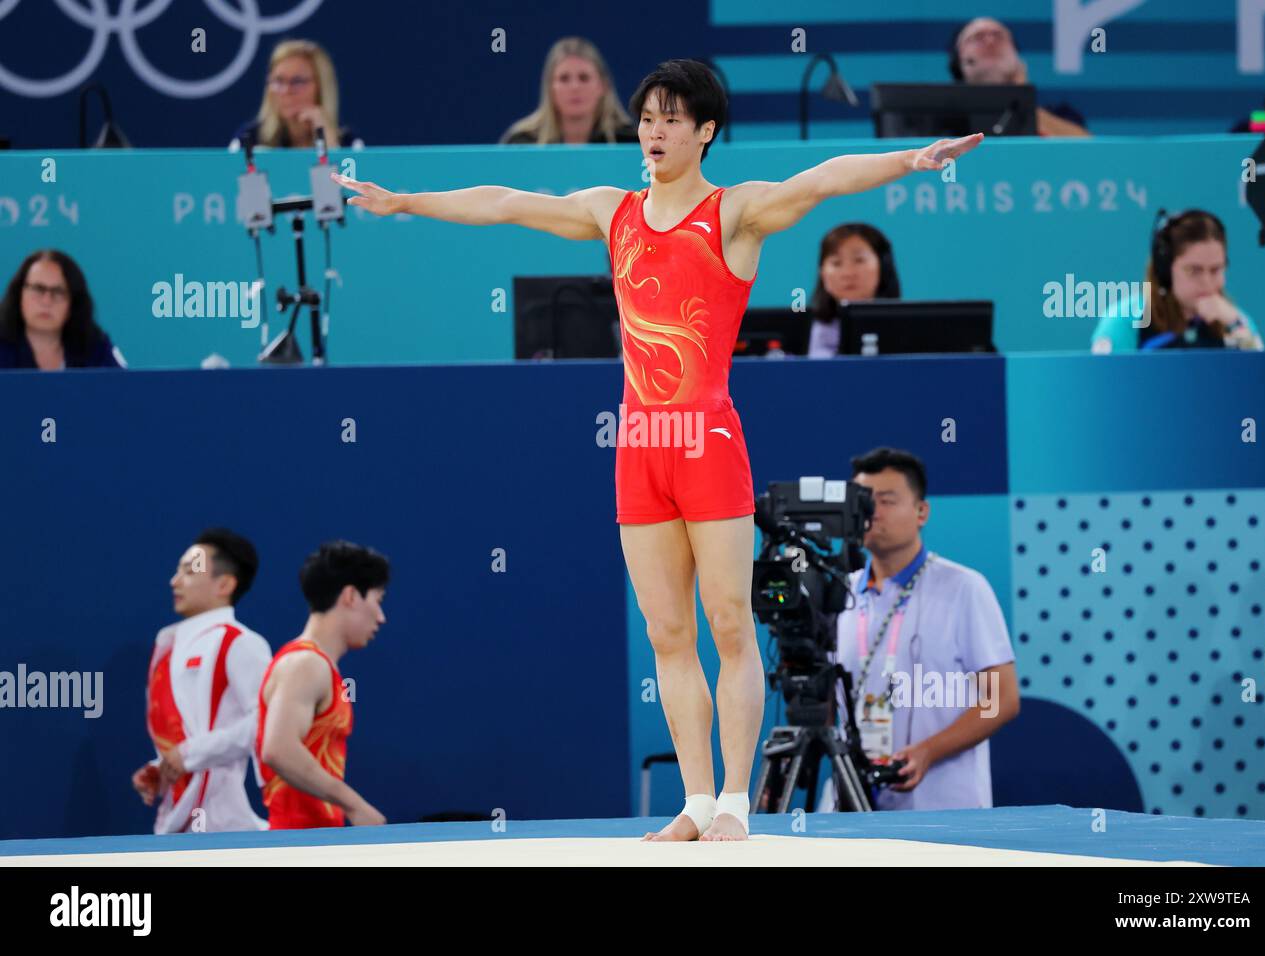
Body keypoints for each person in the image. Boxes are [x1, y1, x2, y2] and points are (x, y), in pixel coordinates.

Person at [333, 58, 982, 841]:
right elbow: (506, 203)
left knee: (729, 625)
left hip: (707, 441)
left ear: (706, 131)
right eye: (647, 117)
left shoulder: (735, 213)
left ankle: (738, 806)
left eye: (672, 118)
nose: (654, 130)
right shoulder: (614, 211)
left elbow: (824, 180)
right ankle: (697, 804)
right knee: (668, 636)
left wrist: (910, 159)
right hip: (639, 444)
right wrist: (407, 202)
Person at [818, 448, 1019, 811]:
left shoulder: (963, 588)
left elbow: (1000, 700)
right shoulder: (837, 594)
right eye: (862, 501)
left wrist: (929, 751)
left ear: (921, 511)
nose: (871, 512)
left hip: (943, 808)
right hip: (848, 806)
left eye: (886, 500)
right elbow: (825, 709)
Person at [131, 529, 271, 833]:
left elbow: (266, 724)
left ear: (225, 584)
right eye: (177, 570)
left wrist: (189, 754)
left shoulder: (240, 643)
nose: (175, 581)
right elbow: (183, 732)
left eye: (189, 571)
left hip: (223, 830)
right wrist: (162, 767)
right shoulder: (166, 645)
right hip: (171, 824)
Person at [257, 541, 389, 829]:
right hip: (298, 846)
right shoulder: (305, 664)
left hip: (317, 842)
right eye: (378, 601)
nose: (381, 617)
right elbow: (278, 749)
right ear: (351, 596)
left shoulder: (318, 666)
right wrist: (356, 805)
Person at [1091, 209, 1264, 353]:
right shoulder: (1125, 321)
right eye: (1194, 270)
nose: (1206, 281)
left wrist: (1236, 327)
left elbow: (1261, 382)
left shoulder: (1236, 321)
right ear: (1165, 270)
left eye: (1215, 270)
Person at [949, 17, 1089, 138]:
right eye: (978, 37)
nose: (990, 41)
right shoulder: (943, 115)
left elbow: (1086, 148)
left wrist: (1021, 93)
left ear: (1017, 56)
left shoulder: (1060, 113)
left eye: (999, 36)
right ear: (959, 60)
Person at [0, 250, 125, 370]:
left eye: (58, 292)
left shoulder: (94, 347)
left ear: (73, 302)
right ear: (19, 294)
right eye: (38, 289)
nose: (47, 301)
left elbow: (122, 388)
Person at [500, 37, 637, 145]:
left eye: (584, 78)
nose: (574, 87)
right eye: (564, 79)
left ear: (603, 86)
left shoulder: (632, 141)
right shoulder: (521, 143)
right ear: (550, 87)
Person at [229, 39, 361, 151]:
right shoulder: (248, 139)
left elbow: (353, 179)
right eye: (279, 81)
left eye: (297, 81)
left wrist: (330, 144)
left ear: (321, 86)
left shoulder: (349, 143)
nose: (286, 90)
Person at [806, 223, 901, 358]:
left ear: (883, 266)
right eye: (836, 263)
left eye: (859, 260)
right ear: (822, 272)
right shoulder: (804, 331)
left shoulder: (904, 328)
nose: (848, 273)